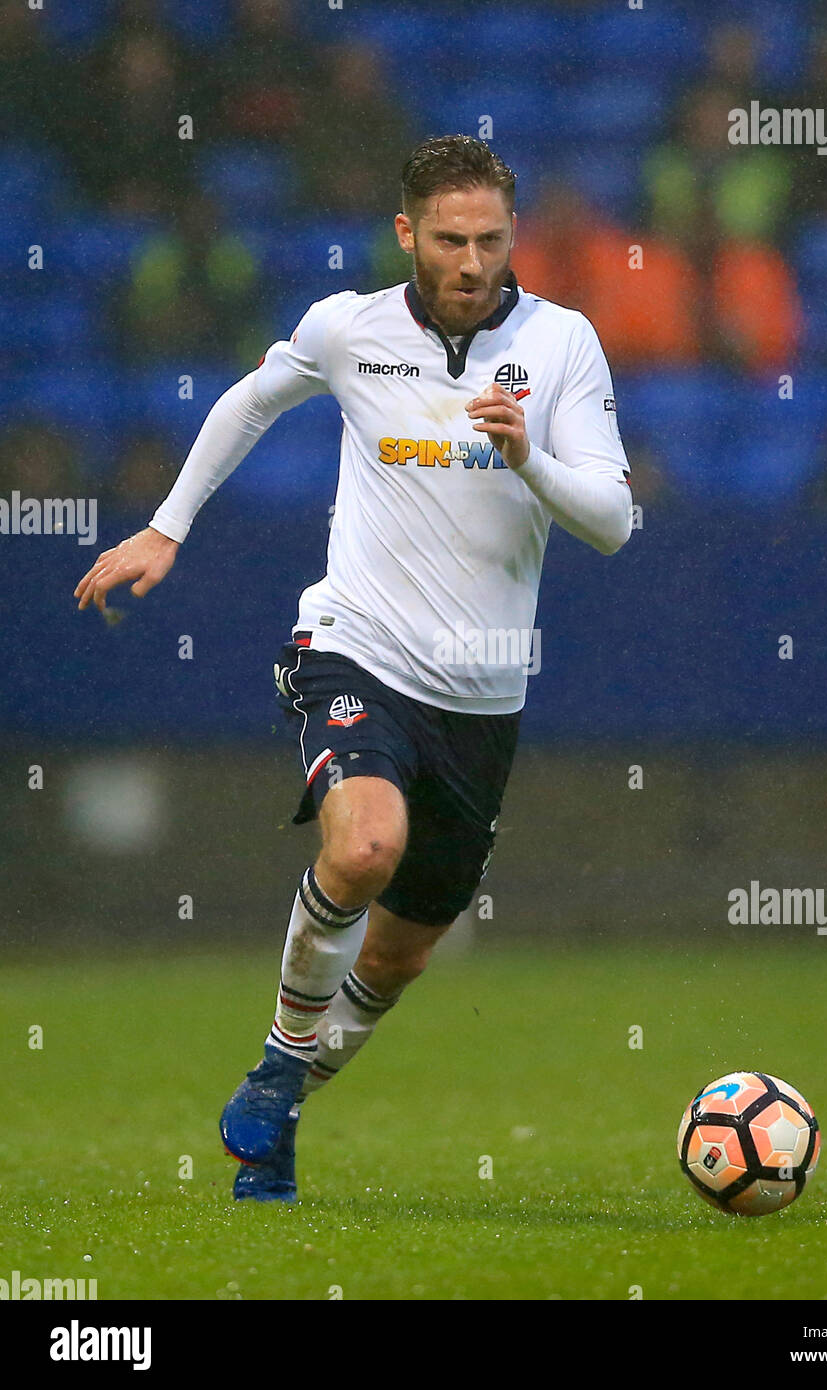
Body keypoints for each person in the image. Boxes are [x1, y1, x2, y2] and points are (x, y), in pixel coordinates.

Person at [74, 135, 633, 1202]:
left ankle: (277, 1098)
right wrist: (166, 528)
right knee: (367, 844)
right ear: (407, 235)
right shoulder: (349, 328)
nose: (473, 262)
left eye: (491, 239)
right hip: (356, 648)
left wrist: (530, 459)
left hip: (482, 696)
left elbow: (612, 519)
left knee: (396, 962)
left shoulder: (563, 344)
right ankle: (284, 1063)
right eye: (450, 239)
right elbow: (250, 400)